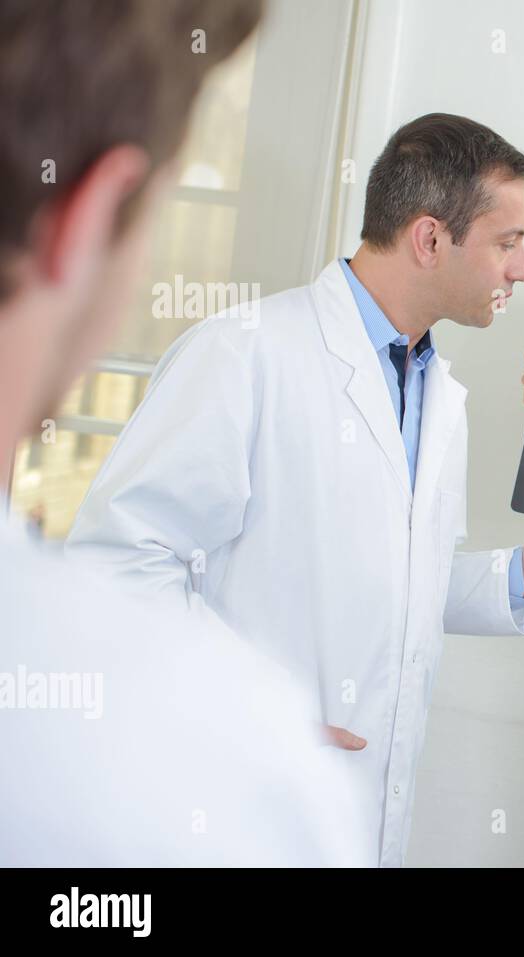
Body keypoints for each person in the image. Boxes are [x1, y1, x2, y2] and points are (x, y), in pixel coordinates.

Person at [64, 112, 524, 867]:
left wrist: (514, 576)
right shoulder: (245, 355)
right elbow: (116, 565)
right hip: (229, 805)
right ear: (429, 238)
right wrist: (248, 709)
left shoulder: (440, 393)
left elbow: (400, 581)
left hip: (355, 821)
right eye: (507, 243)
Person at [0, 0, 367, 866]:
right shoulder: (216, 776)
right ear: (89, 218)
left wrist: (509, 579)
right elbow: (130, 549)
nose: (521, 267)